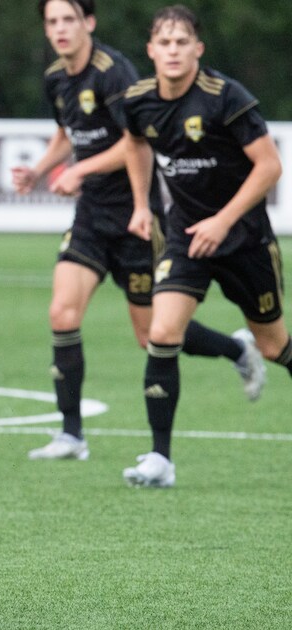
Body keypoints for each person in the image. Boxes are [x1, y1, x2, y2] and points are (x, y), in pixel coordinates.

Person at [11, 0, 264, 462]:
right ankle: (71, 435)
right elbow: (67, 134)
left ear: (89, 22)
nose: (61, 29)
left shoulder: (115, 73)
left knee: (151, 335)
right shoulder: (54, 78)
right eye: (52, 21)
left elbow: (135, 143)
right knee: (62, 313)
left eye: (69, 19)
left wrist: (81, 170)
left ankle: (236, 349)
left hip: (136, 218)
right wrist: (41, 169)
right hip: (91, 216)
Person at [119, 5, 286, 487]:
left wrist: (224, 220)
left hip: (245, 239)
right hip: (186, 236)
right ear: (151, 50)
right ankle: (160, 460)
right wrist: (140, 205)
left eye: (182, 42)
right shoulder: (138, 100)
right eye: (164, 43)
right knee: (163, 332)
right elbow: (134, 143)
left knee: (275, 346)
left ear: (198, 49)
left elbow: (269, 166)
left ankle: (250, 349)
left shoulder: (225, 97)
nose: (173, 51)